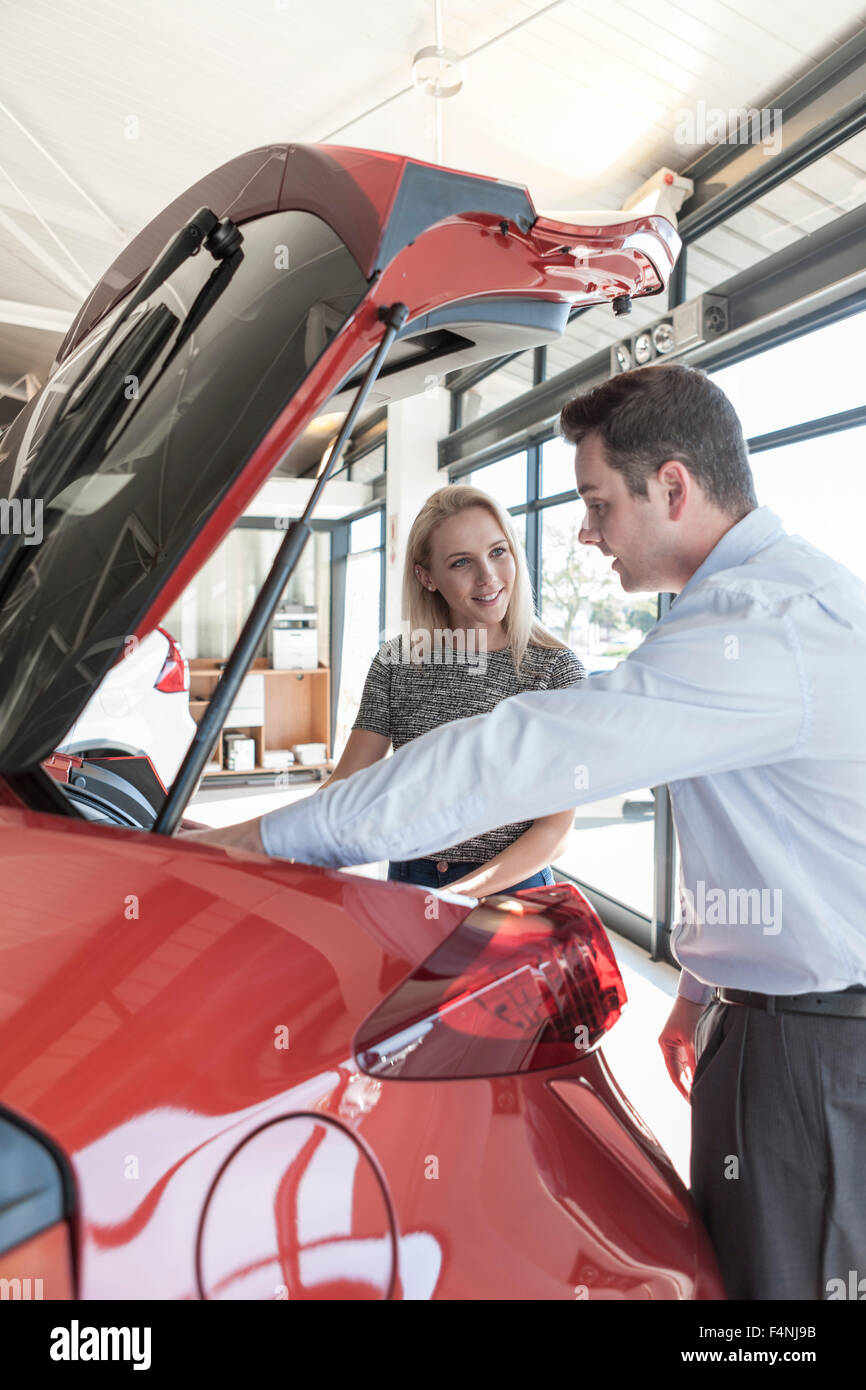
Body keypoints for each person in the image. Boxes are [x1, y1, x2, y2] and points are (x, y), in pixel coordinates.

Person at [185, 362, 866, 1301]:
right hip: (776, 1023)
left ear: (672, 485)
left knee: (778, 1307)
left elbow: (518, 756)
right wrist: (707, 987)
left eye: (594, 502)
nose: (581, 532)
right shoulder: (758, 609)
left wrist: (257, 842)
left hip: (817, 1049)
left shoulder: (760, 626)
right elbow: (789, 833)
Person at [320, 483, 585, 897]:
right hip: (412, 877)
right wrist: (268, 840)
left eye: (498, 551)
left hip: (511, 886)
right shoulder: (397, 661)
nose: (488, 577)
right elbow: (346, 784)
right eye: (462, 562)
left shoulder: (553, 670)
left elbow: (555, 830)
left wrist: (456, 896)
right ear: (426, 576)